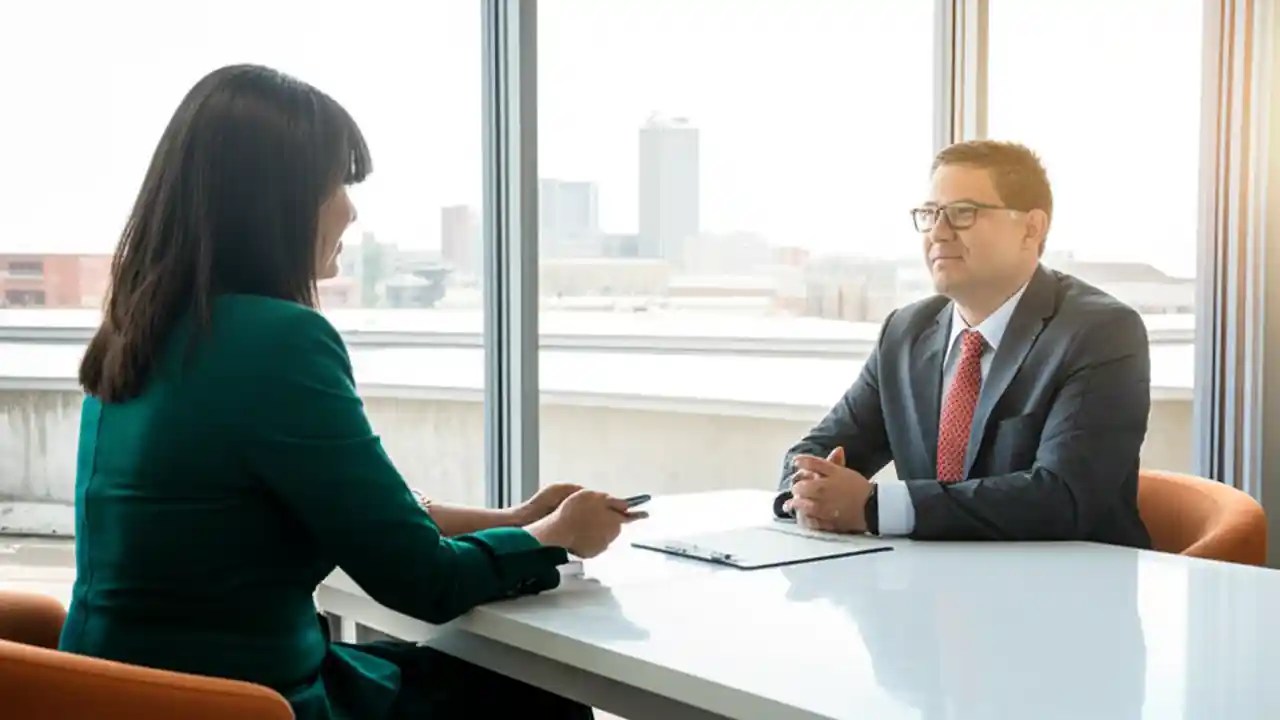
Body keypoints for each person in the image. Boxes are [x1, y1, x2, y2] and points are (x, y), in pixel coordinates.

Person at [59, 64, 637, 720]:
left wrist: (514, 522)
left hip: (112, 692)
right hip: (240, 702)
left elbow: (345, 513)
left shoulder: (142, 329)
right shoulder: (278, 341)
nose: (350, 208)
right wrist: (556, 537)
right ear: (272, 199)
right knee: (543, 696)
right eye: (335, 183)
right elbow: (424, 580)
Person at [776, 140, 1151, 548]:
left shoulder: (1101, 331)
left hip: (1063, 595)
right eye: (930, 214)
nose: (938, 232)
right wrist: (810, 494)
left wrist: (873, 507)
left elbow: (1062, 497)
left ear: (1031, 228)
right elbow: (816, 449)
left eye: (963, 214)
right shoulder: (905, 333)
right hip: (929, 590)